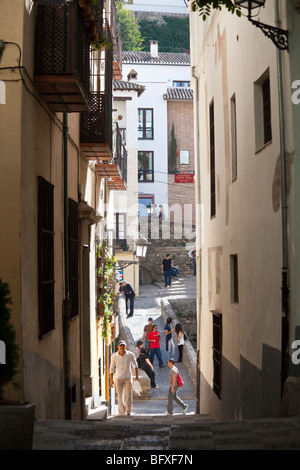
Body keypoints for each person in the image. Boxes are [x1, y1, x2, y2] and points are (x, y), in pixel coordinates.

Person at [110, 340, 139, 416]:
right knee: (120, 396)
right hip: (118, 378)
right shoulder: (114, 356)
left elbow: (135, 365)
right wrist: (111, 381)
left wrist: (136, 376)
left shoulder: (130, 355)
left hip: (128, 378)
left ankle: (128, 411)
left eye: (123, 345)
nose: (122, 347)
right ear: (118, 347)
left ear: (125, 346)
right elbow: (112, 368)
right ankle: (121, 413)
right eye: (121, 345)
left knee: (128, 395)